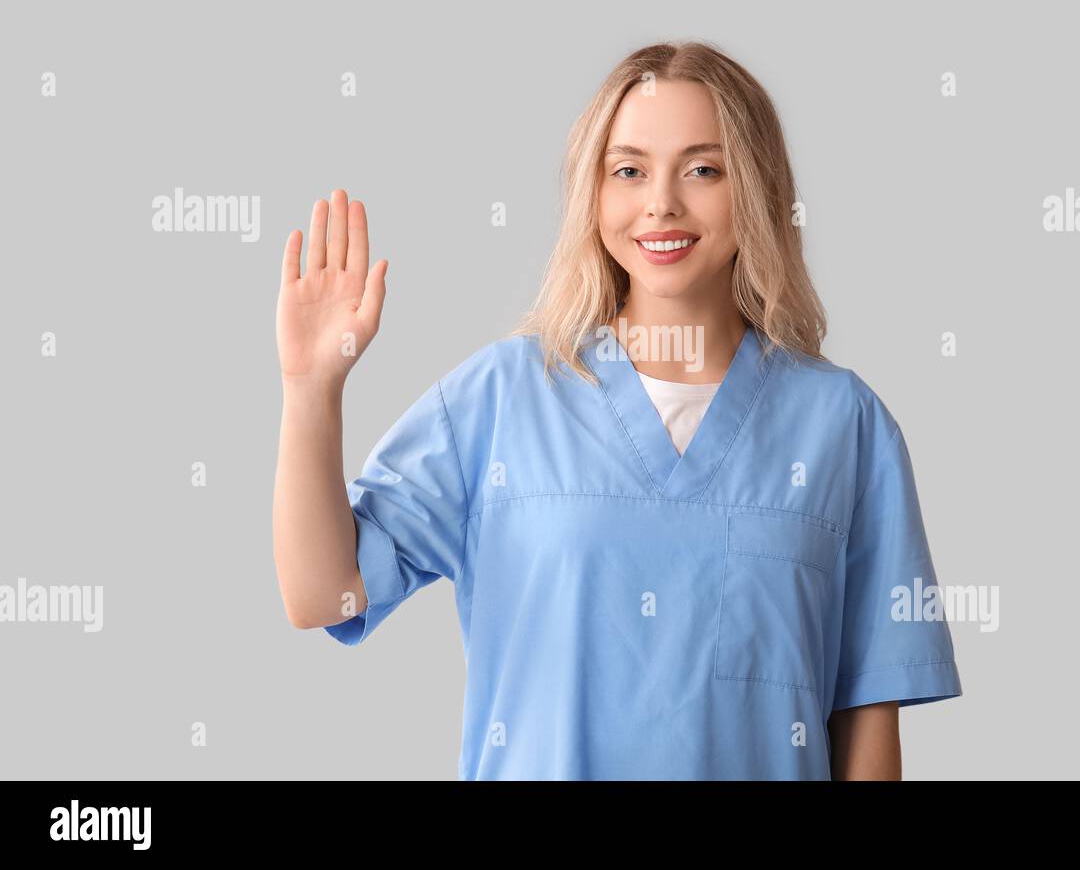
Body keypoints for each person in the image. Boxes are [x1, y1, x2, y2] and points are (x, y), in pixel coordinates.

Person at [272, 41, 962, 780]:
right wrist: (312, 390)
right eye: (628, 170)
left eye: (703, 169)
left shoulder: (842, 426)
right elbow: (321, 595)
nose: (660, 201)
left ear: (757, 189)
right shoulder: (502, 399)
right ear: (592, 195)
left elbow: (867, 715)